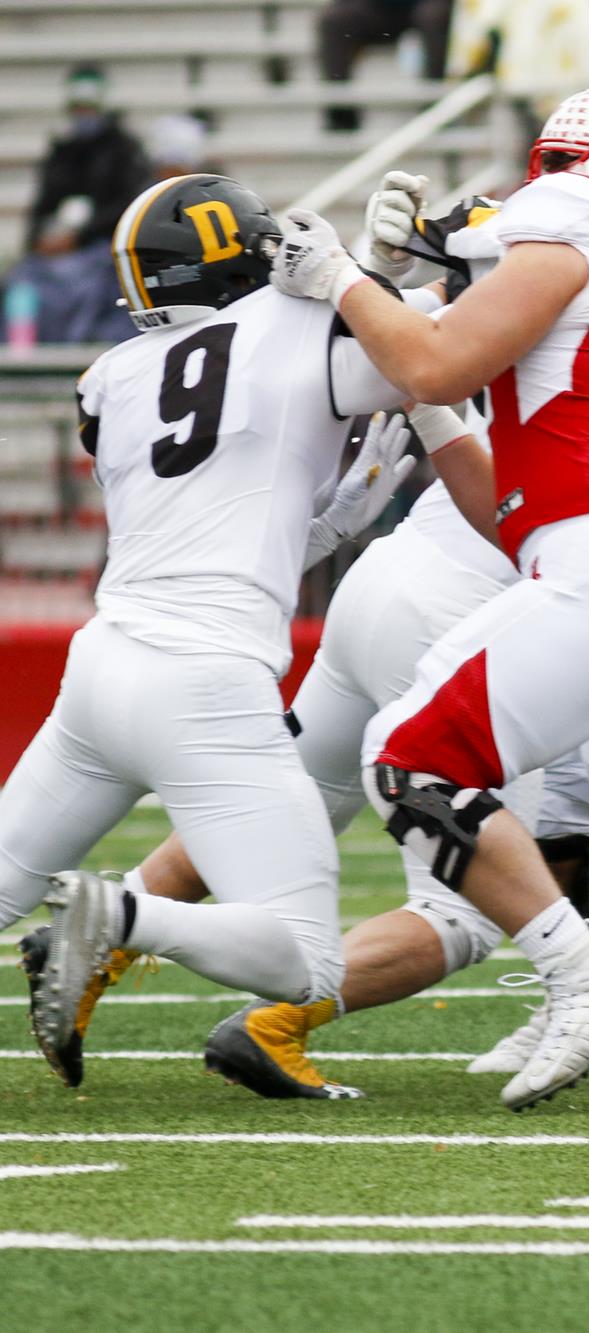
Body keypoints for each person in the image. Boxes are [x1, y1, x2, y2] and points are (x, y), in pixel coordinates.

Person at [60, 95, 589, 1106]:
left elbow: (434, 351)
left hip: (541, 570)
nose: (551, 182)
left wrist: (363, 272)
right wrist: (403, 281)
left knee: (400, 784)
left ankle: (571, 980)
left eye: (571, 164)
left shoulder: (577, 229)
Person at [4, 174, 460, 1092]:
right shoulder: (304, 325)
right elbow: (436, 350)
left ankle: (102, 912)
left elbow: (218, 496)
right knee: (305, 963)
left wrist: (325, 523)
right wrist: (381, 271)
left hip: (101, 669)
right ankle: (120, 915)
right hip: (206, 683)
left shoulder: (109, 377)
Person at [15, 65, 151, 344]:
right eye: (78, 108)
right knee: (23, 280)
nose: (83, 115)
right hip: (57, 251)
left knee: (89, 286)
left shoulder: (123, 151)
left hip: (101, 249)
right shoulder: (62, 152)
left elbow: (125, 204)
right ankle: (22, 349)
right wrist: (38, 240)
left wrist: (78, 236)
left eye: (88, 107)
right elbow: (43, 204)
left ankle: (77, 347)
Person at [317, 0, 452, 132]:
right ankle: (341, 114)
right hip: (379, 8)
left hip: (430, 7)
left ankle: (437, 109)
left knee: (435, 16)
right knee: (334, 20)